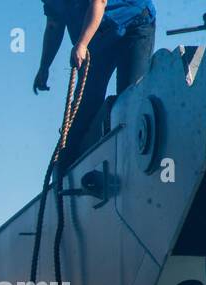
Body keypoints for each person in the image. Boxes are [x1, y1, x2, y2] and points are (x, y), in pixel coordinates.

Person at [34, 1, 157, 168]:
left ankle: (131, 163)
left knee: (129, 100)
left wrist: (82, 44)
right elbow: (54, 25)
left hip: (135, 22)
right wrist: (44, 66)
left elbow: (99, 2)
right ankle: (64, 171)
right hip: (98, 37)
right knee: (85, 104)